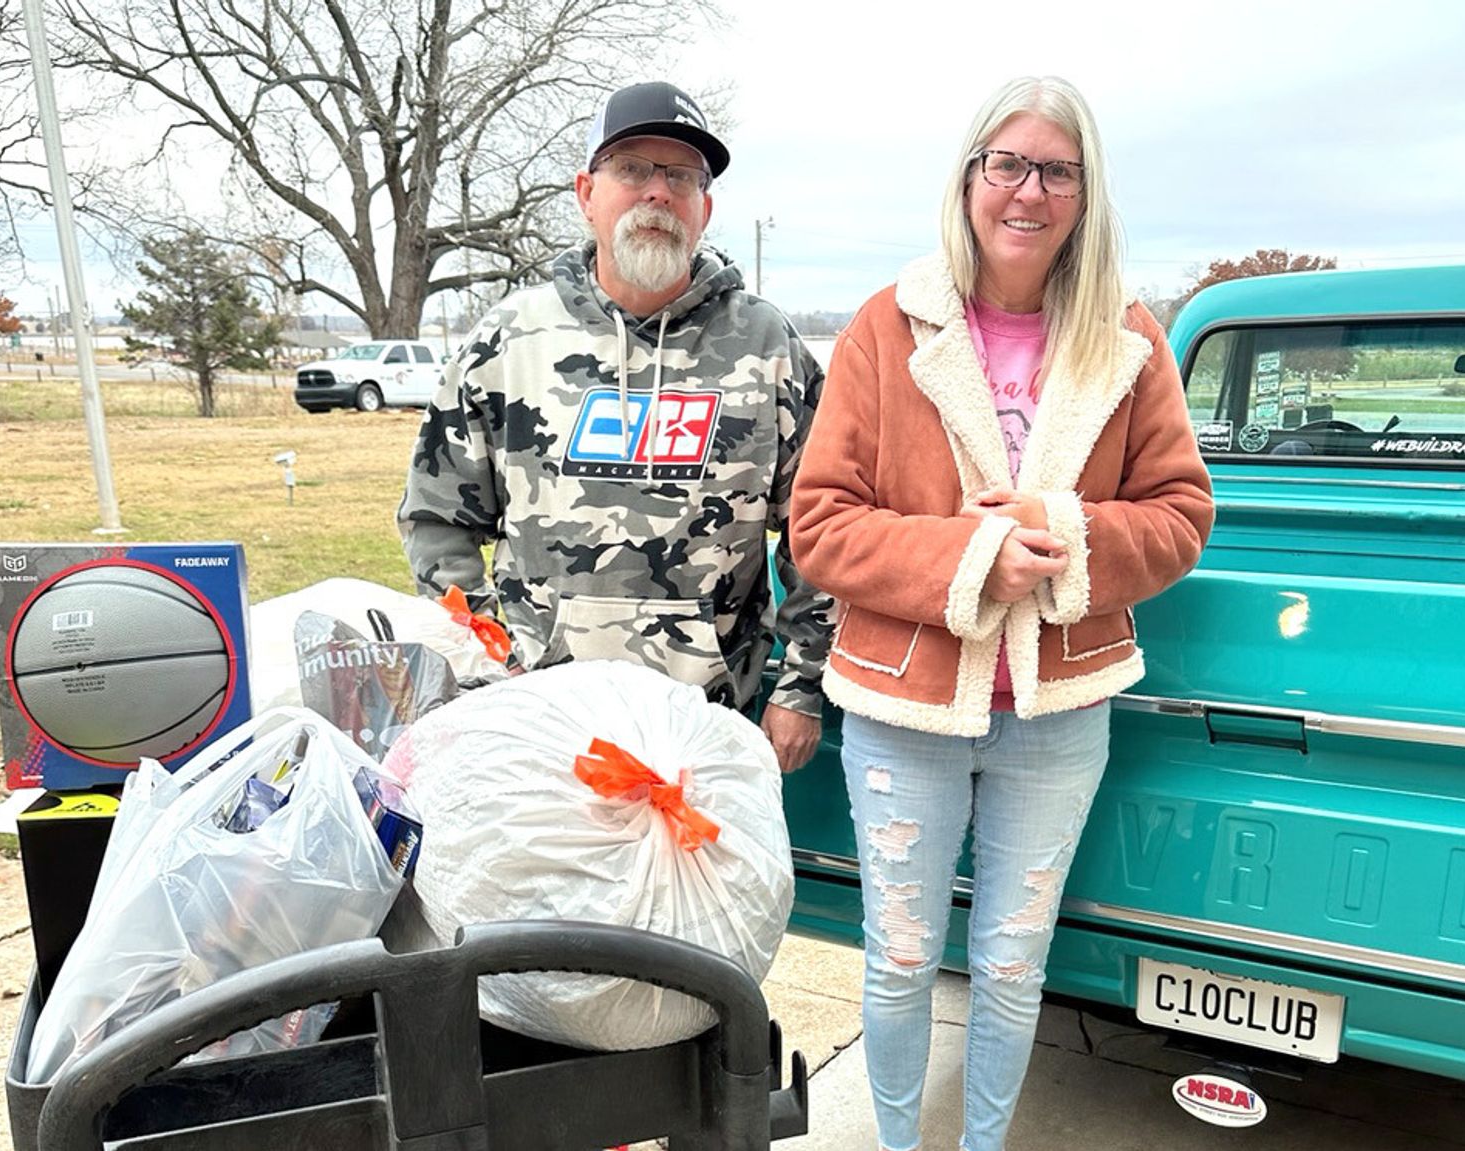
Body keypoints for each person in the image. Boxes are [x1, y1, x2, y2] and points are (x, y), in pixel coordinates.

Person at [789, 76, 1214, 1150]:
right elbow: (821, 525)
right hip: (904, 703)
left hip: (1060, 709)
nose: (1028, 191)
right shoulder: (888, 327)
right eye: (1007, 164)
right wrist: (975, 550)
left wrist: (1062, 531)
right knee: (895, 958)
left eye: (1056, 170)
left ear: (1085, 190)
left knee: (1015, 964)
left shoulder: (1129, 336)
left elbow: (1181, 514)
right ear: (971, 176)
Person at [397, 81, 832, 772]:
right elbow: (435, 518)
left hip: (709, 725)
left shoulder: (766, 345)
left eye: (681, 176)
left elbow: (820, 529)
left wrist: (801, 686)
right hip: (537, 717)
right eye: (631, 169)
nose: (657, 192)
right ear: (586, 193)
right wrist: (488, 657)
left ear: (705, 207)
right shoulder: (510, 341)